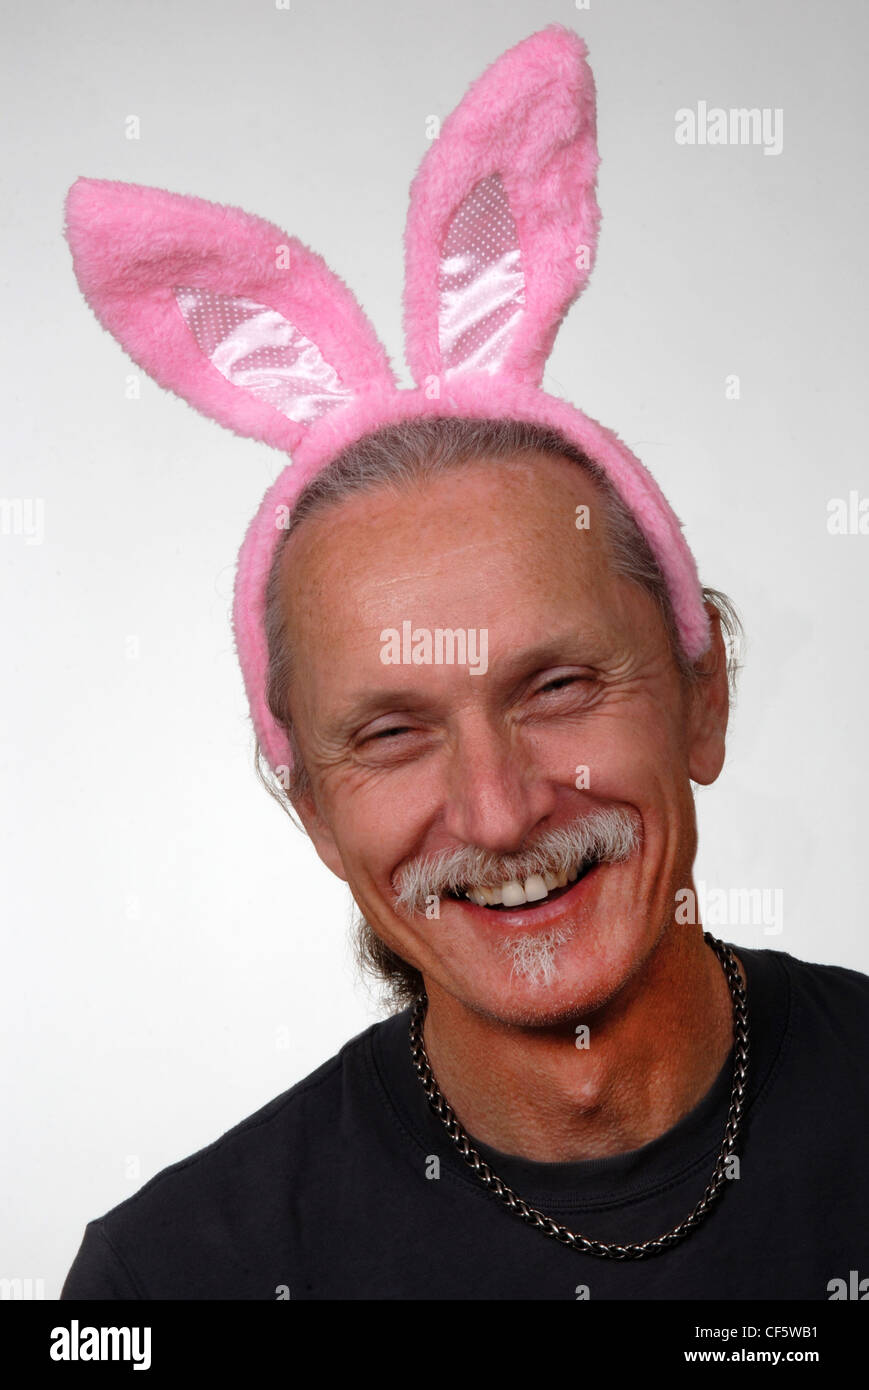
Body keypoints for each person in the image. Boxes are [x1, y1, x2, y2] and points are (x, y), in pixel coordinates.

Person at [60, 28, 869, 1300]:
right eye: (388, 734)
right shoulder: (172, 1280)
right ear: (315, 813)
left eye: (555, 688)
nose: (497, 812)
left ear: (701, 697)